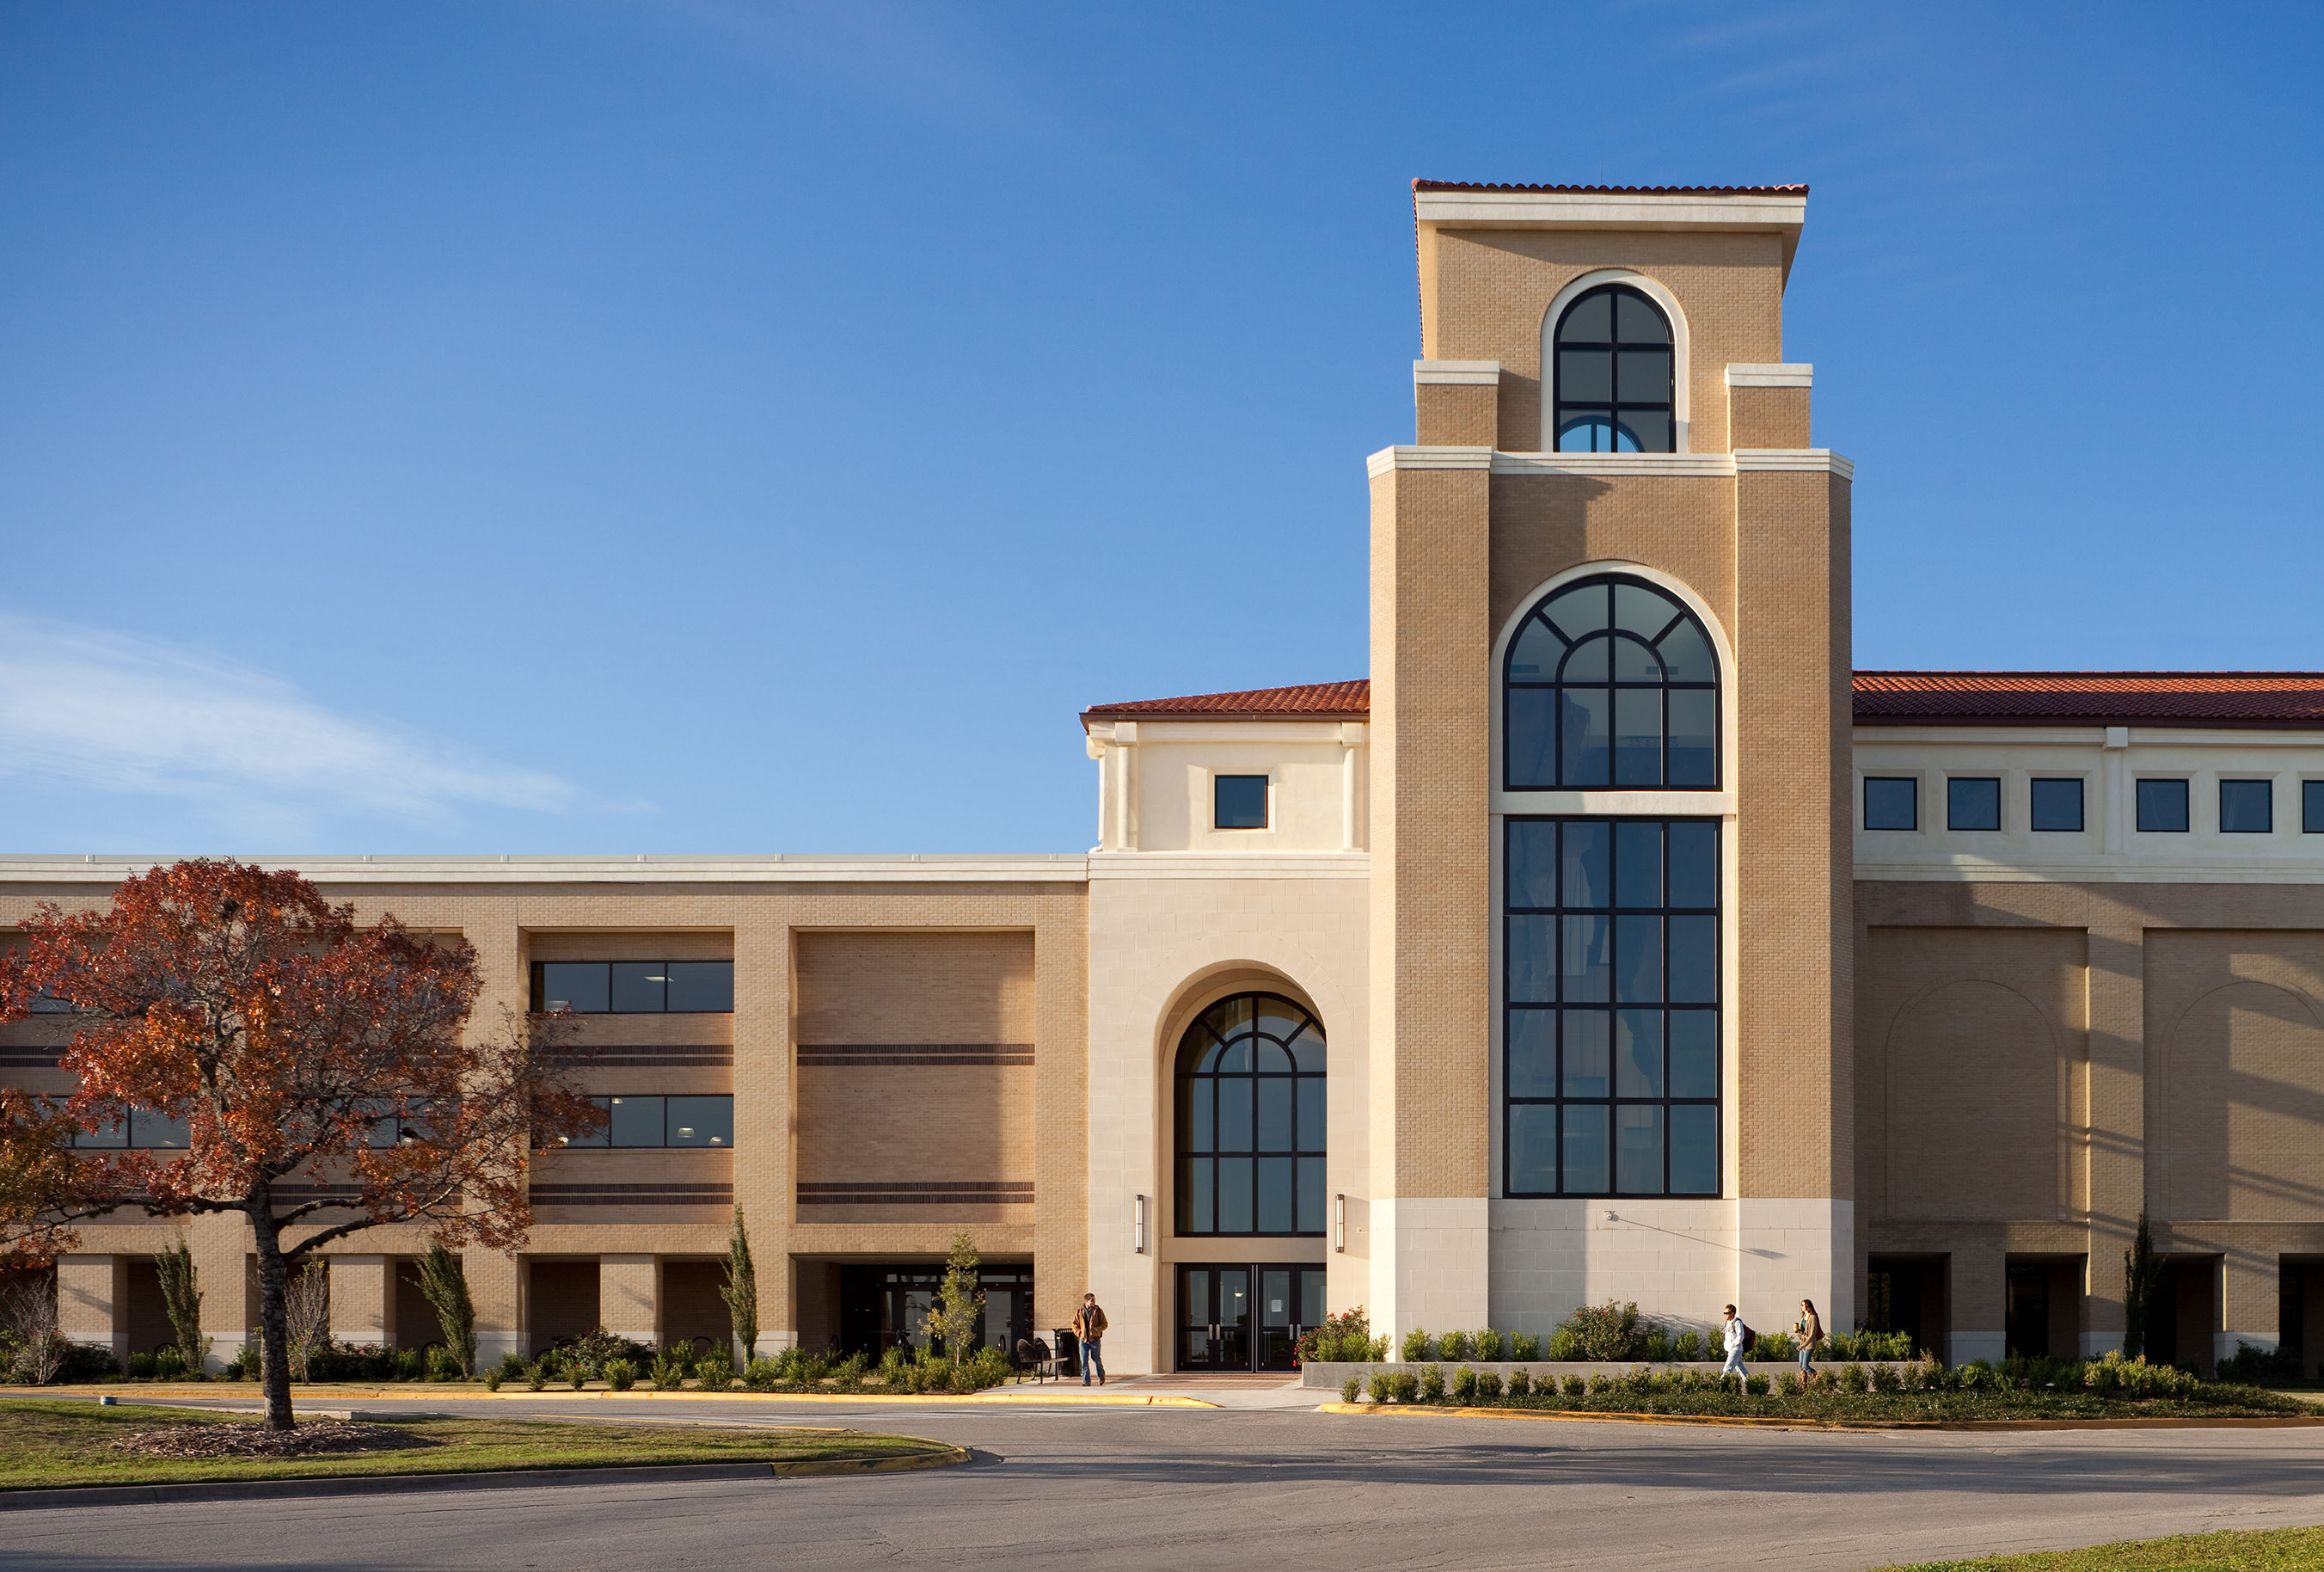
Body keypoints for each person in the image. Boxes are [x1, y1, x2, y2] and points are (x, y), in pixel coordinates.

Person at [1073, 1293, 1108, 1386]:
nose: (1093, 1302)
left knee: (1096, 1359)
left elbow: (1105, 1324)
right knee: (1084, 1360)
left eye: (1094, 1300)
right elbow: (1074, 1325)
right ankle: (1086, 1381)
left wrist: (1097, 1330)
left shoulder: (1098, 1311)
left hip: (1095, 1339)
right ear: (1086, 1301)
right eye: (1092, 1300)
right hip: (1084, 1340)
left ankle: (1101, 1376)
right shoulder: (1079, 1312)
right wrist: (1079, 1333)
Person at [1794, 1298, 1824, 1380]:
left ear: (1808, 1306)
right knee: (1801, 1366)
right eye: (1802, 1305)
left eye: (1804, 1305)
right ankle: (1804, 1385)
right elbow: (1804, 1331)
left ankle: (1816, 1377)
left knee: (1805, 1365)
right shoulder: (1804, 1317)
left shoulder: (1813, 1317)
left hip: (1809, 1344)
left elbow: (1812, 1334)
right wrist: (1799, 1330)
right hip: (1803, 1343)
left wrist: (1803, 1346)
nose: (1802, 1307)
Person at [1720, 1303, 1748, 1385]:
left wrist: (1733, 1345)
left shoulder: (1737, 1322)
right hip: (1730, 1350)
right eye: (1724, 1313)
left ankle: (1720, 1386)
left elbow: (1740, 1336)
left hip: (1736, 1349)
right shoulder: (1727, 1323)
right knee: (1741, 1370)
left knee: (1727, 1369)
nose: (1725, 1315)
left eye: (1727, 1313)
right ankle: (1751, 1384)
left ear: (1732, 1313)